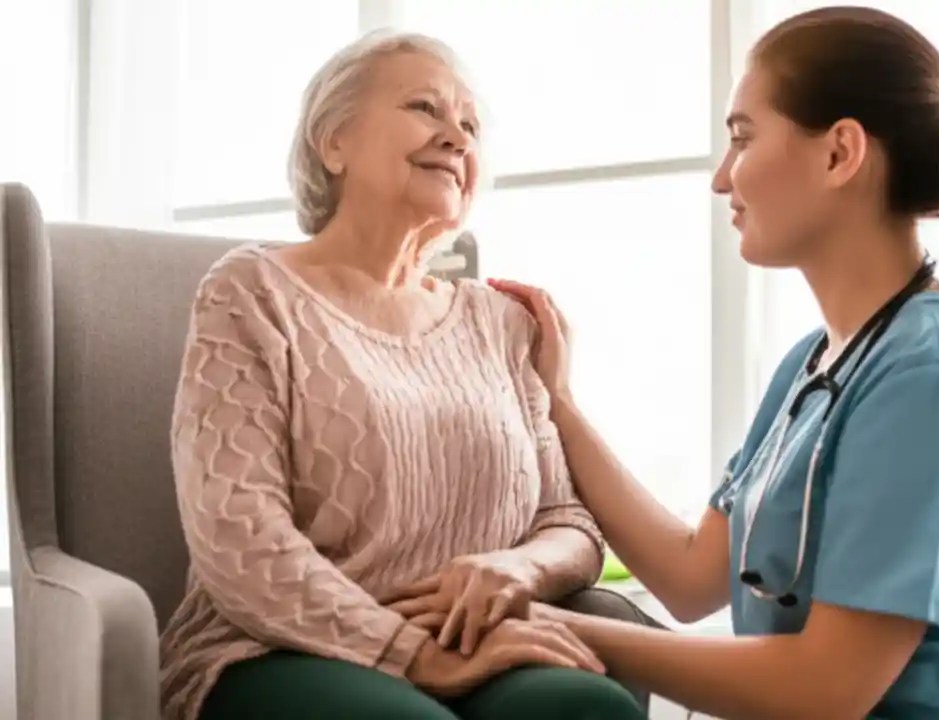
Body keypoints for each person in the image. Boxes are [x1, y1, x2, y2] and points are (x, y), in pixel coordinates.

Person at [490, 6, 939, 719]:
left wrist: (547, 626)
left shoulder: (935, 375)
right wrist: (558, 401)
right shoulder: (814, 366)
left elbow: (825, 688)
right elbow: (691, 576)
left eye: (743, 138)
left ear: (840, 153)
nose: (722, 178)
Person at [158, 30, 645, 720]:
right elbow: (239, 537)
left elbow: (565, 520)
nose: (457, 137)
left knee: (584, 707)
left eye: (470, 124)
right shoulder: (251, 292)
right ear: (334, 144)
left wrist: (519, 567)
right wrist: (409, 653)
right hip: (279, 645)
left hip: (475, 637)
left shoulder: (502, 322)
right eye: (425, 107)